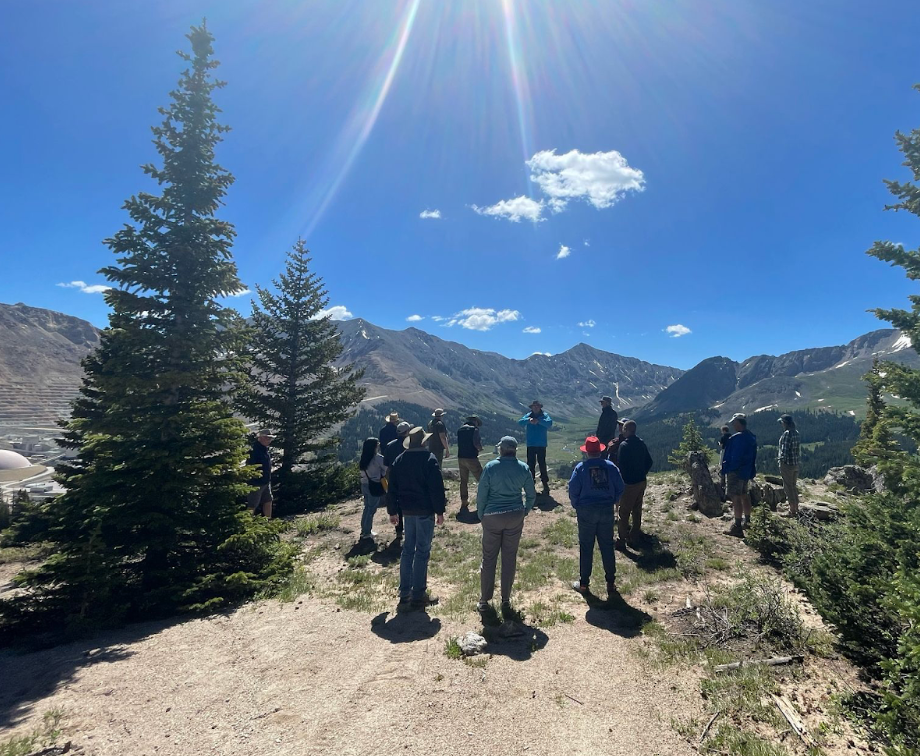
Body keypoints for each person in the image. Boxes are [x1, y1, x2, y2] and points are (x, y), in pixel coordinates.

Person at [387, 426, 446, 610]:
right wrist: (440, 511)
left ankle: (404, 593)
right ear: (423, 442)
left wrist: (392, 511)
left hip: (407, 510)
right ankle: (418, 594)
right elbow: (436, 488)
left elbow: (392, 487)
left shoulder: (400, 459)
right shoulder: (429, 459)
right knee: (422, 551)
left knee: (408, 550)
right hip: (424, 510)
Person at [476, 436, 536, 615]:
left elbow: (482, 494)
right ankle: (505, 599)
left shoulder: (490, 467)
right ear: (515, 450)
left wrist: (481, 514)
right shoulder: (523, 468)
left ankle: (484, 600)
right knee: (509, 557)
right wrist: (525, 510)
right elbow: (531, 494)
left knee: (489, 558)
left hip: (492, 516)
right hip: (515, 515)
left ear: (501, 449)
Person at [568, 436, 625, 596]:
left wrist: (577, 505)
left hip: (586, 510)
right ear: (600, 451)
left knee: (586, 546)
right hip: (606, 509)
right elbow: (620, 487)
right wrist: (613, 500)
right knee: (607, 545)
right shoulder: (611, 467)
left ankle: (584, 583)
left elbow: (573, 489)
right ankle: (610, 583)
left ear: (587, 452)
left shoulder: (581, 468)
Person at [615, 420, 654, 548]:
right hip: (641, 481)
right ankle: (634, 536)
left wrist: (623, 480)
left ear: (626, 430)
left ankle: (621, 540)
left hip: (629, 484)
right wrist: (642, 473)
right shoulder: (641, 443)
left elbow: (621, 466)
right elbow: (649, 461)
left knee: (624, 513)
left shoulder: (624, 445)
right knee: (637, 510)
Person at [721, 413, 757, 536]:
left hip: (735, 471)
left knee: (735, 497)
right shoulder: (751, 437)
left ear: (738, 423)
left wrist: (728, 469)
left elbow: (735, 457)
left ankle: (737, 526)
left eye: (734, 423)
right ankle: (747, 521)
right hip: (746, 472)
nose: (732, 425)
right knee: (744, 495)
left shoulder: (737, 439)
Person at [383, 421, 412, 539]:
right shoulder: (410, 444)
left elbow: (386, 463)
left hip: (393, 477)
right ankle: (411, 529)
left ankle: (399, 529)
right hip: (408, 477)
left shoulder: (390, 445)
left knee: (396, 501)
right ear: (407, 432)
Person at [518, 400, 553, 495]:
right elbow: (520, 422)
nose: (536, 408)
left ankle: (545, 484)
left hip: (541, 444)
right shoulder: (528, 416)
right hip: (531, 444)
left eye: (537, 406)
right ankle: (531, 485)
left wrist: (538, 421)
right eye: (534, 406)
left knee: (542, 464)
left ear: (540, 407)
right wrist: (528, 420)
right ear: (532, 407)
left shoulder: (544, 415)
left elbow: (549, 423)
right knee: (530, 465)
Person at [358, 438, 386, 541]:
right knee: (372, 509)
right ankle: (367, 532)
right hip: (374, 485)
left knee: (367, 507)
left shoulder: (363, 458)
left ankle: (364, 530)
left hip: (364, 484)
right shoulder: (378, 458)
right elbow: (386, 469)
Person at [457, 415, 485, 513]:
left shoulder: (460, 430)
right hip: (471, 458)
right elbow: (476, 443)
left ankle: (464, 501)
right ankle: (484, 500)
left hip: (461, 457)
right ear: (475, 422)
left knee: (463, 481)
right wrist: (480, 448)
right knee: (482, 479)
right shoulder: (474, 430)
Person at [246, 429, 275, 518]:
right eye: (267, 438)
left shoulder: (264, 449)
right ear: (260, 438)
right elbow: (250, 466)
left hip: (265, 482)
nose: (269, 440)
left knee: (268, 501)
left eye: (270, 438)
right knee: (252, 505)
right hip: (256, 483)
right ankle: (247, 523)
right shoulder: (254, 450)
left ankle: (268, 522)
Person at [777, 414, 801, 516]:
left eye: (782, 422)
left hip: (787, 464)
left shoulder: (787, 434)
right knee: (793, 486)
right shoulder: (796, 432)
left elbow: (785, 449)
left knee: (788, 487)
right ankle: (796, 507)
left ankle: (792, 510)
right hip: (795, 463)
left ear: (785, 423)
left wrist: (781, 460)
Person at [718, 425, 731, 500]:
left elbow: (721, 445)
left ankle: (722, 473)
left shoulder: (723, 437)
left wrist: (719, 444)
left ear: (723, 430)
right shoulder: (731, 436)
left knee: (722, 462)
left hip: (724, 450)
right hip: (730, 451)